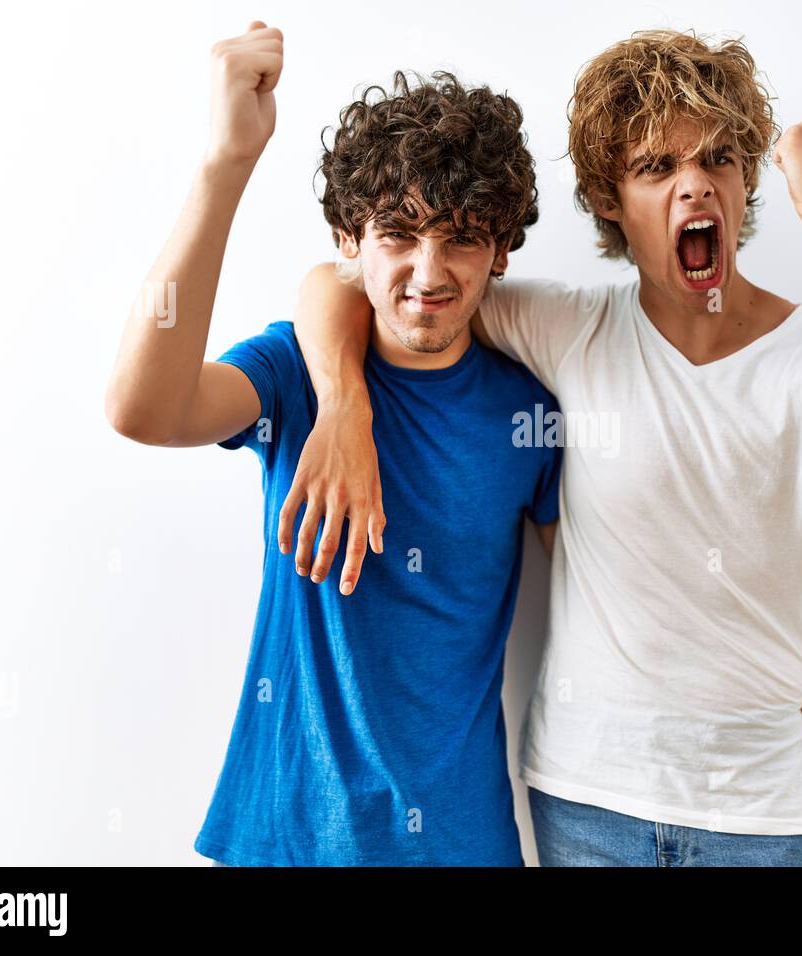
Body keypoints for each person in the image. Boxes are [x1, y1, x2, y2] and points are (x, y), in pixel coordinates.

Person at [286, 29, 802, 867]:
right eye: (657, 169)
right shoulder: (568, 327)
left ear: (746, 181)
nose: (695, 185)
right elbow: (344, 283)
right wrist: (342, 406)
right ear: (609, 201)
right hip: (589, 805)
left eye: (718, 160)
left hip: (767, 814)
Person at [103, 21, 560, 865]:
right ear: (349, 242)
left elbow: (612, 596)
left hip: (458, 843)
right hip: (283, 833)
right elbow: (143, 410)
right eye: (397, 234)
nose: (429, 272)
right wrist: (223, 167)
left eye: (462, 236)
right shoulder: (291, 370)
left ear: (500, 250)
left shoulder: (532, 416)